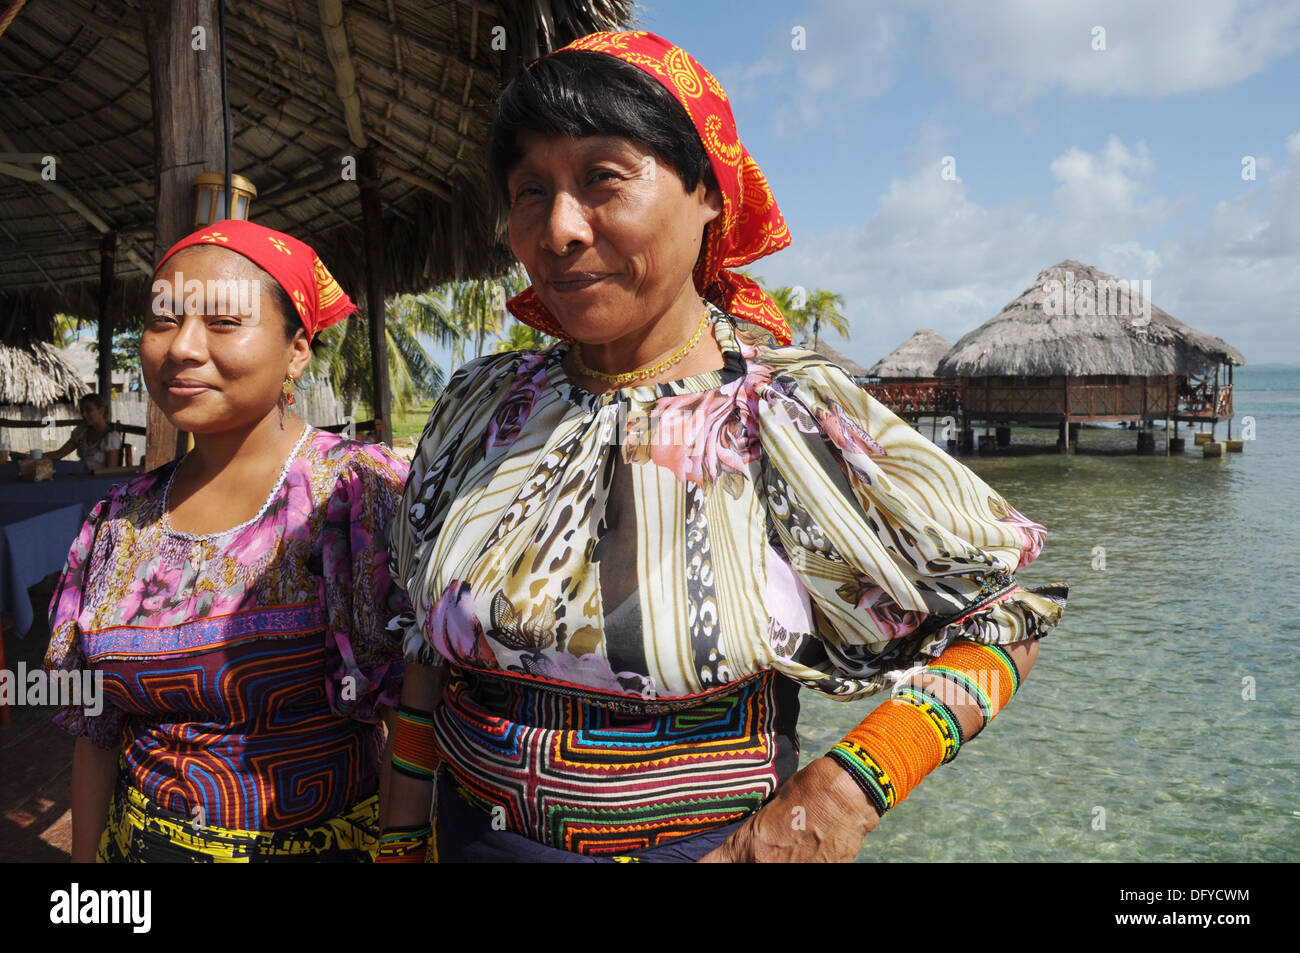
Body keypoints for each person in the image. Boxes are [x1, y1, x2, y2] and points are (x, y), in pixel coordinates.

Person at [378, 31, 1069, 863]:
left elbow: (1001, 623)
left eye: (603, 179)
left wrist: (840, 795)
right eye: (531, 190)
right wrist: (400, 834)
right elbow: (425, 649)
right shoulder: (481, 406)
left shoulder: (782, 411)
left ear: (707, 190)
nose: (557, 229)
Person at [43, 219, 410, 862]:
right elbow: (98, 731)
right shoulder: (116, 521)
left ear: (297, 349)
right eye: (163, 321)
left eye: (221, 322)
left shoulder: (355, 495)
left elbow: (407, 713)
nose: (182, 348)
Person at [12, 392, 123, 471]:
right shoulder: (82, 433)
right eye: (82, 410)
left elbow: (110, 472)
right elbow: (59, 454)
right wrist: (29, 457)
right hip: (80, 477)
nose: (84, 414)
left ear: (101, 411)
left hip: (96, 483)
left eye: (89, 410)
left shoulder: (111, 438)